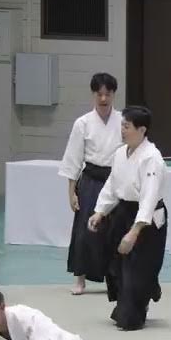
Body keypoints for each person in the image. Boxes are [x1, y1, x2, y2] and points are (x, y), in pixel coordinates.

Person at [88, 106, 168, 331]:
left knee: (138, 268)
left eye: (127, 126)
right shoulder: (120, 153)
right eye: (121, 125)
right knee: (117, 264)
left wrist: (134, 232)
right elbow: (112, 184)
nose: (122, 130)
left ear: (142, 130)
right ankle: (138, 295)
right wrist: (100, 211)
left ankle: (139, 301)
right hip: (123, 210)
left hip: (147, 219)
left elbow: (149, 198)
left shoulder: (152, 158)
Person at [58, 73, 123, 296]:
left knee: (115, 229)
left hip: (115, 180)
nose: (103, 99)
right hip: (91, 180)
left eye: (108, 94)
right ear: (93, 94)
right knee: (84, 231)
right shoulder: (83, 123)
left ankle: (115, 279)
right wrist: (71, 192)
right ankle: (80, 279)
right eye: (99, 94)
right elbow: (73, 159)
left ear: (114, 94)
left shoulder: (123, 121)